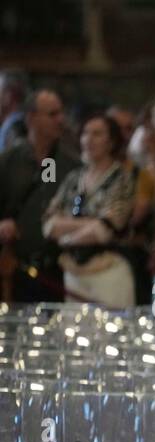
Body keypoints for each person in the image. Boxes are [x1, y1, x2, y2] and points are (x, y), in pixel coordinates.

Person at [41, 113, 135, 308]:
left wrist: (67, 235)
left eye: (97, 134)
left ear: (111, 142)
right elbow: (49, 224)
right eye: (85, 133)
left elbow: (105, 229)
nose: (88, 140)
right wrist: (90, 223)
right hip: (72, 274)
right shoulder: (74, 178)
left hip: (108, 271)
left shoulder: (121, 178)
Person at [0, 89, 77, 302]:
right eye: (52, 114)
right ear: (32, 118)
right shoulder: (8, 162)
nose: (60, 120)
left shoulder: (71, 165)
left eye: (61, 113)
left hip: (58, 269)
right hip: (15, 268)